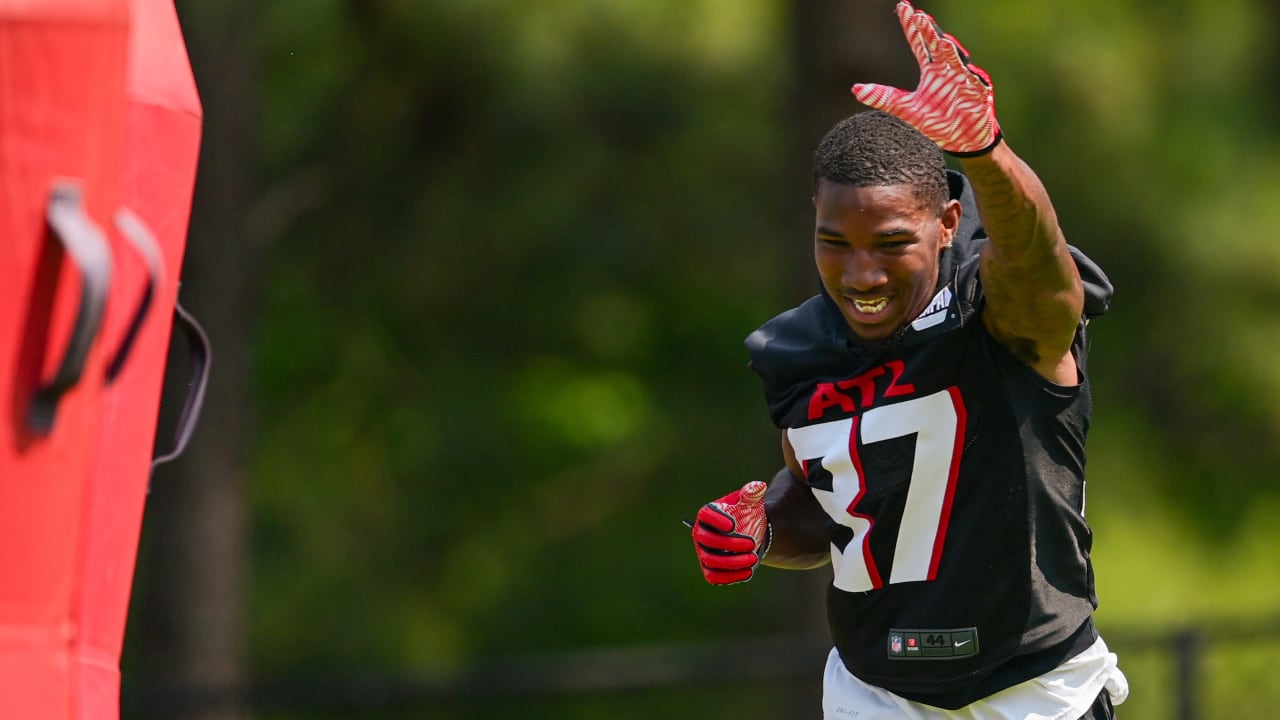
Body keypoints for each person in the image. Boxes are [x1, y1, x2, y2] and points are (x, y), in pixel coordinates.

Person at [689, 3, 1129, 718]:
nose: (862, 275)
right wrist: (764, 523)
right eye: (836, 242)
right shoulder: (801, 353)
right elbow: (839, 498)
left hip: (1028, 693)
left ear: (948, 221)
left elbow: (1047, 285)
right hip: (875, 692)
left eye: (892, 243)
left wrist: (986, 153)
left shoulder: (998, 313)